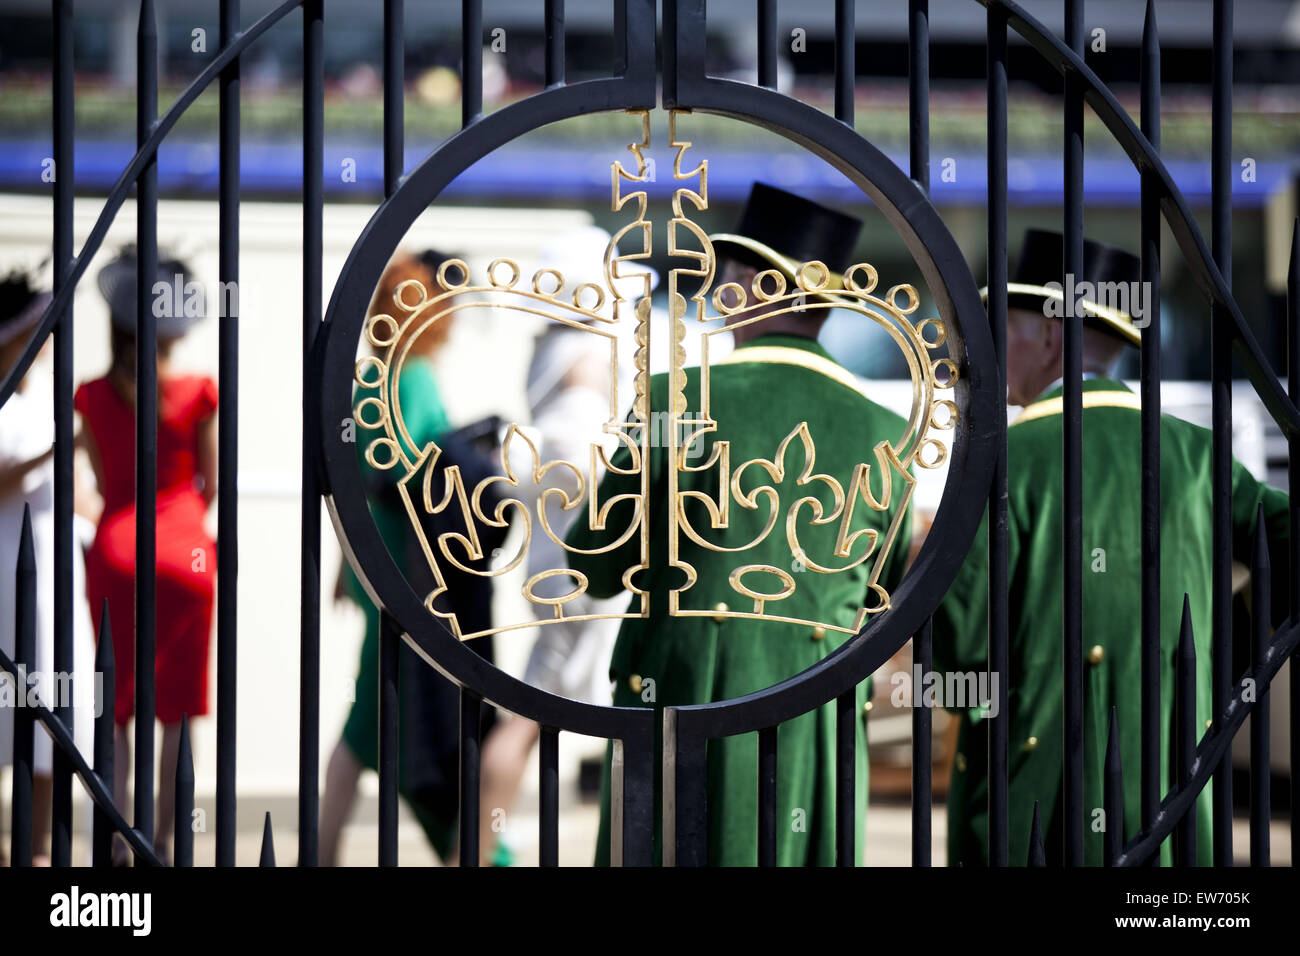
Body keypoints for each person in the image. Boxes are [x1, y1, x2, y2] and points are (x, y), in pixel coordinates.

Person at [566, 183, 913, 865]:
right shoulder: (887, 430)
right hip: (813, 716)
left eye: (725, 277)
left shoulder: (673, 397)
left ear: (754, 285)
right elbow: (885, 588)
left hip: (678, 699)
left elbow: (596, 565)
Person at [932, 228, 1290, 866]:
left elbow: (956, 648)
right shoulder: (1196, 454)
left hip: (1029, 800)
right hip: (1170, 793)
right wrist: (1224, 645)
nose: (986, 351)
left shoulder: (997, 464)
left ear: (1050, 335)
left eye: (1002, 328)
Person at [477, 226, 655, 864]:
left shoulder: (557, 352)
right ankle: (479, 844)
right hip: (581, 566)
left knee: (543, 705)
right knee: (543, 708)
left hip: (567, 562)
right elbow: (580, 467)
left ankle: (484, 841)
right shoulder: (583, 360)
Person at [320, 249, 502, 866]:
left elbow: (352, 486)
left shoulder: (371, 378)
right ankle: (470, 851)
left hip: (379, 565)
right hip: (413, 571)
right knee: (401, 713)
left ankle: (329, 849)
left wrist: (345, 567)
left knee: (381, 718)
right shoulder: (415, 378)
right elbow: (413, 477)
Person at [75, 247, 218, 865]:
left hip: (116, 551)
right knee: (176, 713)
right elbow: (213, 482)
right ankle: (166, 842)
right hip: (185, 554)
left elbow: (101, 486)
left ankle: (117, 844)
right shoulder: (197, 392)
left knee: (118, 707)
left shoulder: (91, 394)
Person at [0, 270, 96, 866]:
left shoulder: (44, 399)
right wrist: (59, 451)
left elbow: (78, 491)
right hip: (8, 572)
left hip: (56, 569)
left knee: (51, 711)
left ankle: (36, 851)